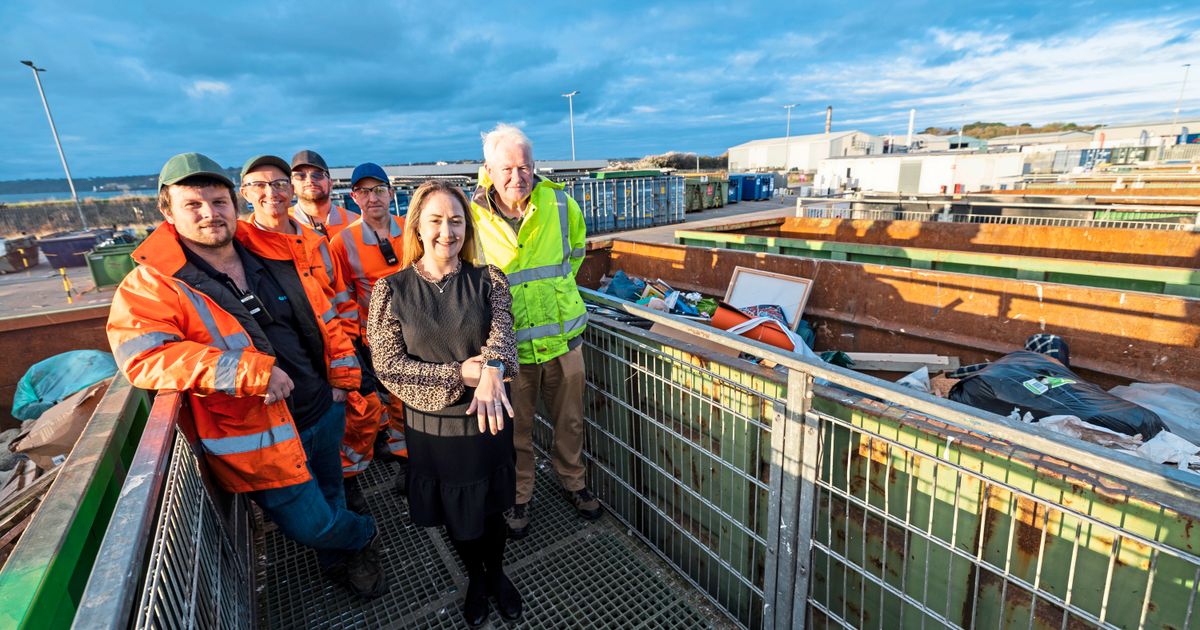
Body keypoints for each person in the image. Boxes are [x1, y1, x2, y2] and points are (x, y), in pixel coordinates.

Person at [107, 152, 388, 598]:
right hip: (259, 433)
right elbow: (144, 357)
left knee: (331, 488)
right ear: (167, 210)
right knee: (309, 521)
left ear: (233, 203)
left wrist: (341, 382)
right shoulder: (152, 285)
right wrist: (248, 370)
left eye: (218, 202)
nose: (209, 214)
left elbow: (325, 316)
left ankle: (343, 556)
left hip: (322, 407)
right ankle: (361, 535)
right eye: (193, 205)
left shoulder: (276, 251)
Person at [367, 180, 522, 626]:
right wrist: (460, 374)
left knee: (492, 507)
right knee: (458, 512)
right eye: (435, 220)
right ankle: (475, 576)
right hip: (434, 426)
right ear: (417, 224)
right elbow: (390, 365)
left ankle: (496, 573)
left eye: (456, 220)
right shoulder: (390, 290)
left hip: (489, 416)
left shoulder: (488, 278)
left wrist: (492, 368)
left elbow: (503, 335)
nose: (447, 231)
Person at [467, 124, 598, 539]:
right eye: (506, 168)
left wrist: (553, 297)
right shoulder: (471, 216)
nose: (516, 176)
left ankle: (574, 484)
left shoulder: (558, 203)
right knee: (516, 431)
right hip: (510, 350)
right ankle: (521, 496)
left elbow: (576, 253)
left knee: (570, 423)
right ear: (488, 169)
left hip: (562, 342)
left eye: (524, 167)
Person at [286, 150, 383, 511]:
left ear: (330, 181)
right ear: (292, 184)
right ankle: (343, 482)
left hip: (349, 332)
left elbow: (346, 286)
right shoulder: (281, 228)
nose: (310, 182)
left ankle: (354, 469)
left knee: (365, 405)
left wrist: (354, 333)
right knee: (332, 411)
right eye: (301, 176)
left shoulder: (348, 223)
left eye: (317, 175)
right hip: (307, 341)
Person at [330, 162, 409, 501]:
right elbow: (342, 292)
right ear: (353, 197)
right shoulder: (341, 243)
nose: (373, 197)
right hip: (377, 339)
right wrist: (354, 339)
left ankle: (429, 454)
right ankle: (406, 461)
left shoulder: (412, 228)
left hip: (421, 330)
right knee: (394, 403)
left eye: (379, 189)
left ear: (391, 194)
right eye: (364, 191)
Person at [289, 149, 360, 240]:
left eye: (317, 175)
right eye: (300, 176)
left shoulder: (355, 222)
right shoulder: (283, 223)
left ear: (330, 184)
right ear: (292, 186)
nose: (310, 180)